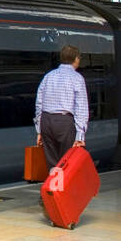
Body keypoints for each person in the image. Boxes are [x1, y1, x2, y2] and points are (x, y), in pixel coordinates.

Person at [34, 44, 89, 173]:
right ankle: (66, 192)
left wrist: (39, 130)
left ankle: (53, 190)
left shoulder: (48, 76)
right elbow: (81, 108)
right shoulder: (77, 78)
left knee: (53, 164)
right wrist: (80, 136)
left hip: (46, 121)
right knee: (68, 162)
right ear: (76, 59)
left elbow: (39, 104)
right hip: (64, 122)